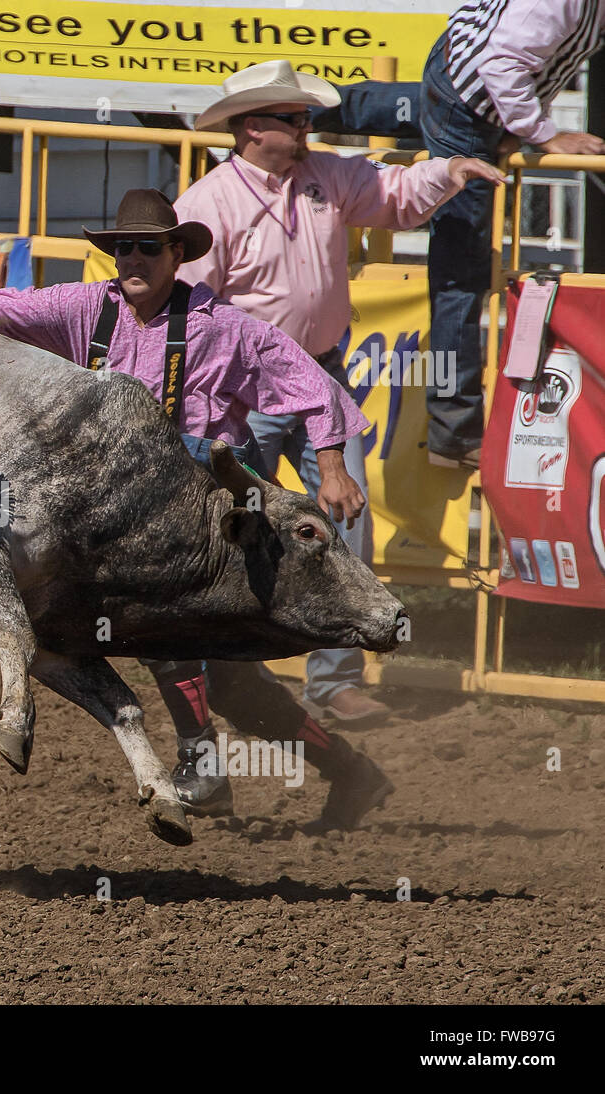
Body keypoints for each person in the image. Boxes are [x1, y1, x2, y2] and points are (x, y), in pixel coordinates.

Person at [0, 189, 391, 830]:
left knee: (161, 618)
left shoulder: (218, 325)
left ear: (175, 255)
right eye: (122, 247)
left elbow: (303, 375)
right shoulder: (90, 309)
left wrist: (330, 464)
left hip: (213, 509)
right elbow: (8, 307)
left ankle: (204, 762)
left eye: (147, 246)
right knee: (233, 685)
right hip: (121, 506)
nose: (131, 257)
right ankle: (349, 772)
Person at [175, 60, 503, 722]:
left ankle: (330, 678)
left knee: (342, 520)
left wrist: (450, 170)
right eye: (296, 119)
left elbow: (395, 193)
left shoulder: (323, 175)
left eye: (305, 118)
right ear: (256, 127)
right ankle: (237, 673)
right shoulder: (209, 203)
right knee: (237, 534)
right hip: (247, 391)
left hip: (321, 376)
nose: (307, 127)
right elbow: (190, 310)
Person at [420, 1, 605, 467]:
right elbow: (502, 61)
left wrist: (516, 124)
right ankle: (452, 432)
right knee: (460, 277)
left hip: (469, 91)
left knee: (389, 107)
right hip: (466, 102)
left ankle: (295, 112)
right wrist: (541, 133)